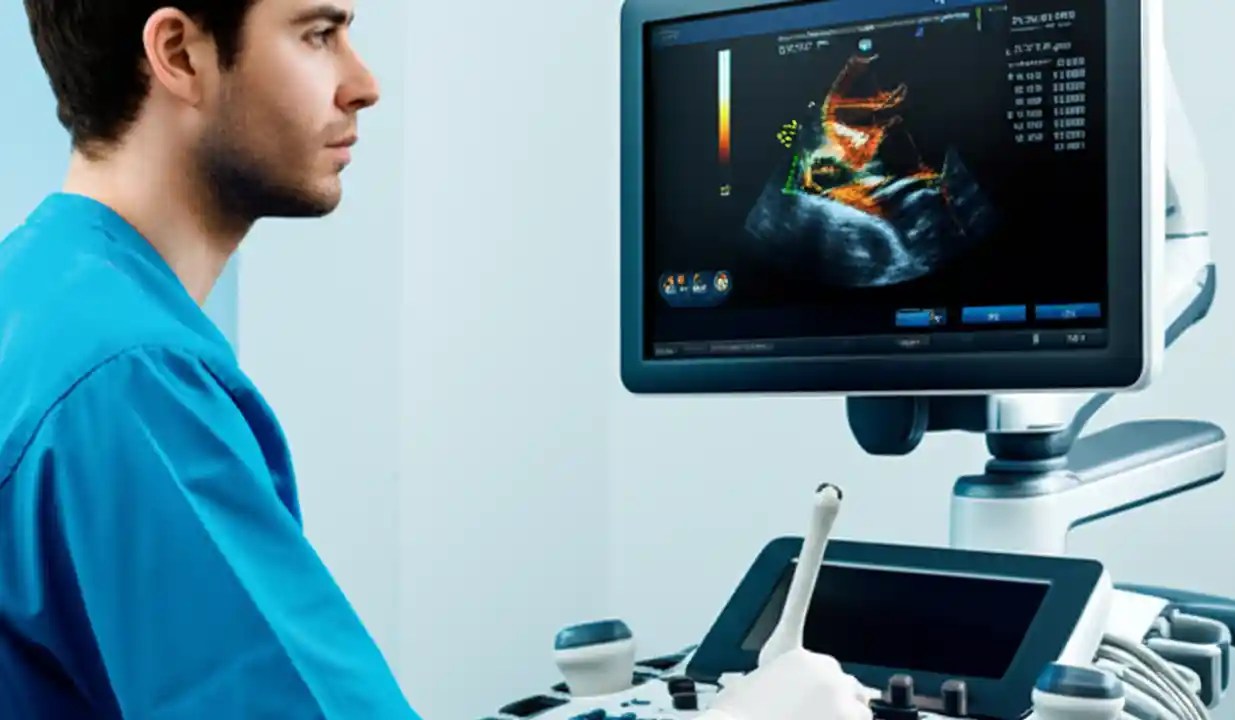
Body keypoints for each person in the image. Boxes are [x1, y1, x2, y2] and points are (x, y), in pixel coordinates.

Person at [0, 1, 873, 718]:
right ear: (180, 55)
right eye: (318, 33)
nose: (364, 83)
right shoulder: (129, 383)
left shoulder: (39, 298)